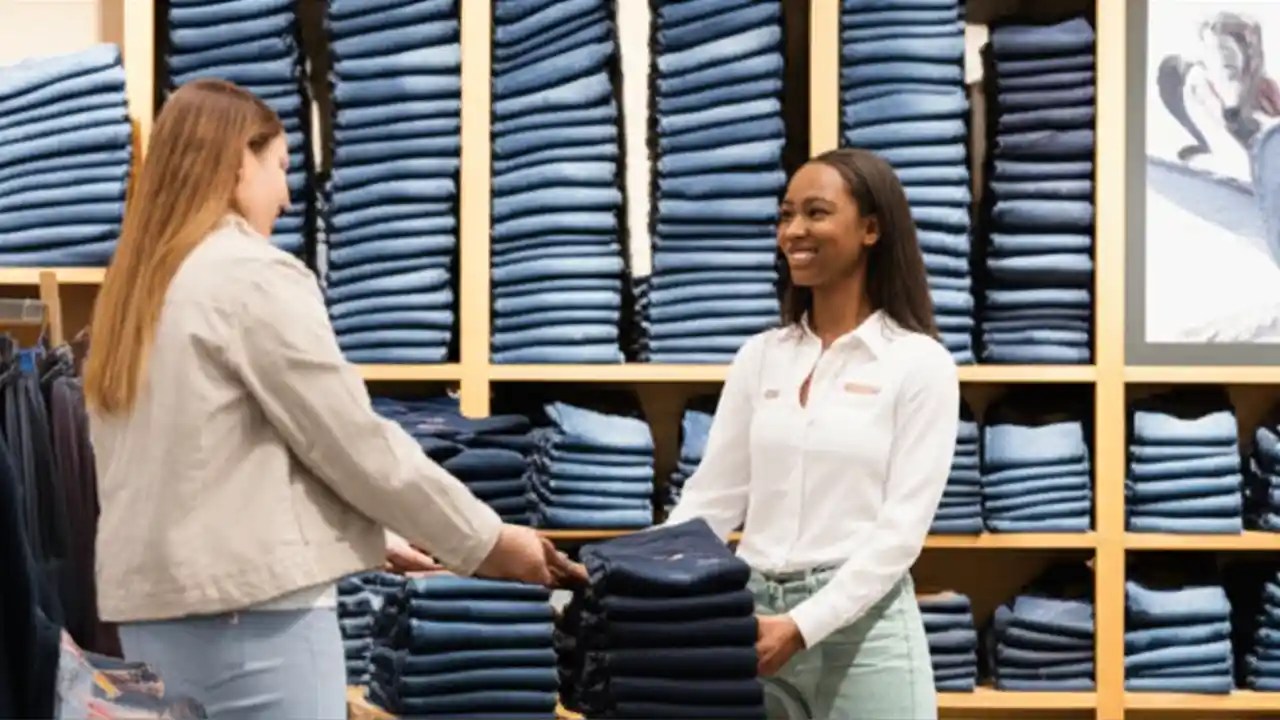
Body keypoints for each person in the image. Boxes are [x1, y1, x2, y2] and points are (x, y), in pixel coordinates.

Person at [83, 79, 567, 719]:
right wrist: (487, 542)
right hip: (255, 629)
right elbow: (353, 444)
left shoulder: (133, 296)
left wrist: (364, 531)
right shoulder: (250, 274)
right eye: (280, 167)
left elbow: (204, 464)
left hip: (151, 626)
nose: (287, 195)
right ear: (236, 163)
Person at [566, 148, 960, 718]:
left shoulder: (919, 364)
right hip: (748, 618)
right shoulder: (761, 356)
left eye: (816, 213)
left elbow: (899, 535)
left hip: (861, 632)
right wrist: (631, 574)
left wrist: (801, 627)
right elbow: (712, 500)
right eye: (786, 215)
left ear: (871, 228)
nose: (794, 230)